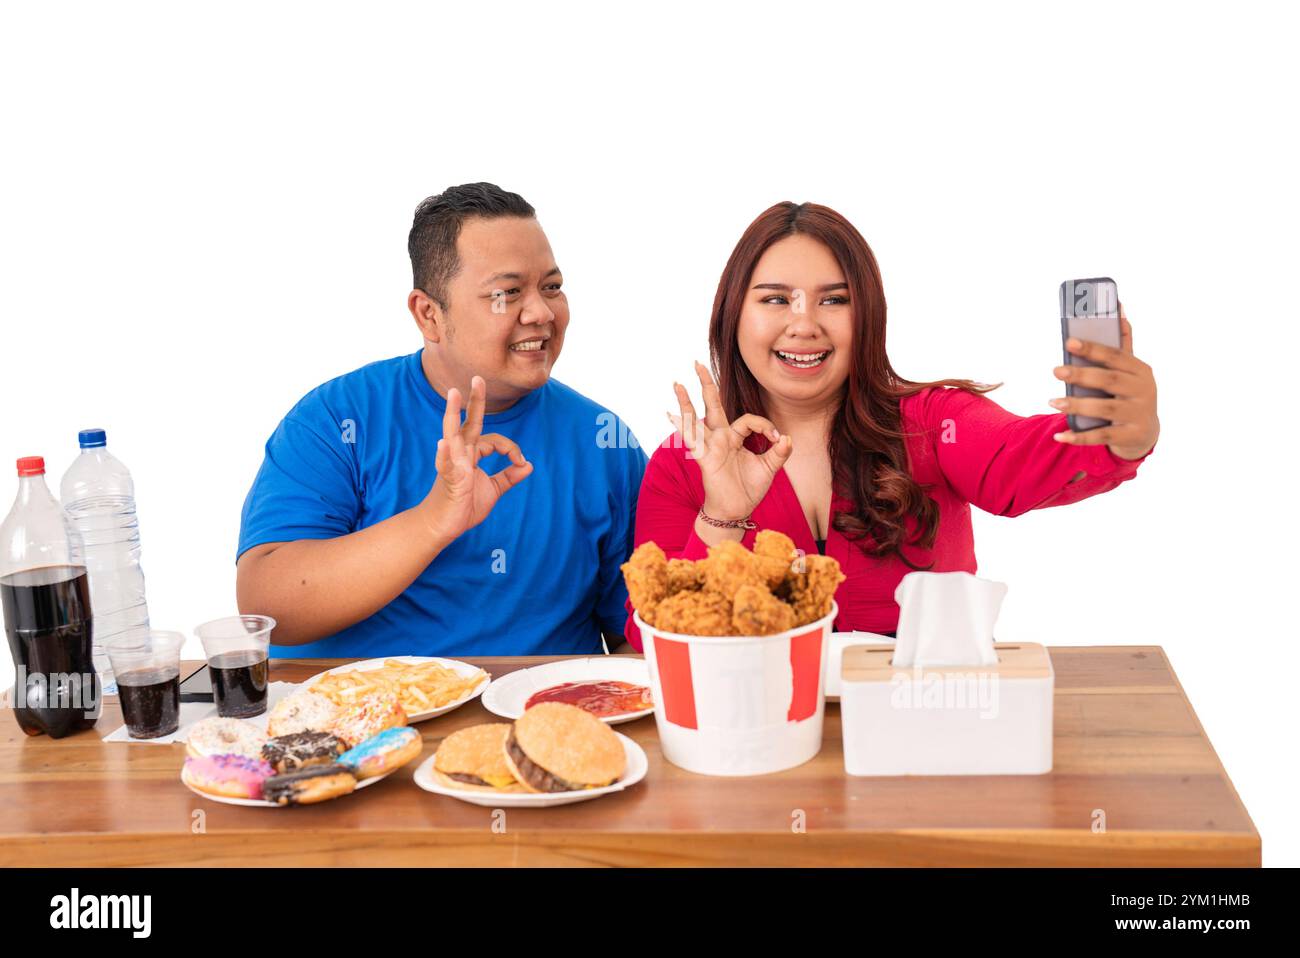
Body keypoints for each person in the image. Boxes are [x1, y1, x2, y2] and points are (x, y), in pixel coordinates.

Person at [625, 201, 1158, 646]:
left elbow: (1020, 457)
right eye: (775, 299)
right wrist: (720, 519)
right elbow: (651, 637)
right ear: (732, 315)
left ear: (870, 316)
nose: (804, 323)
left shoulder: (932, 423)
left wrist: (1120, 431)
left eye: (835, 300)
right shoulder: (682, 461)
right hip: (761, 748)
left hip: (923, 738)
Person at [237, 183, 646, 657]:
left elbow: (638, 636)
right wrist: (434, 520)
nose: (541, 312)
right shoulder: (335, 419)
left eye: (551, 287)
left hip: (534, 716)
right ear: (429, 315)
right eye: (506, 293)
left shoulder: (604, 442)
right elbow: (265, 610)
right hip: (358, 718)